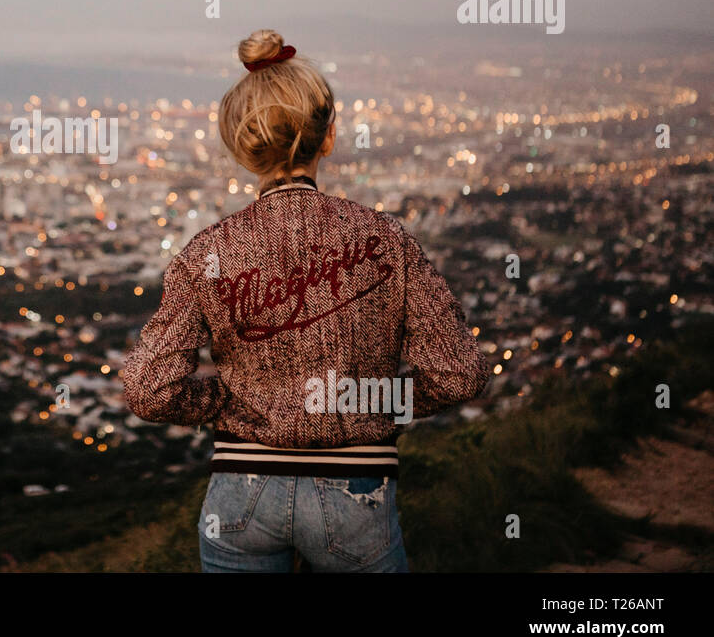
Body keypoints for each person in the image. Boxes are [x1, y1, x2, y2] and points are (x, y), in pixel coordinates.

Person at [122, 29, 490, 572]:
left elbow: (148, 388)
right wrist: (371, 404)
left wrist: (228, 404)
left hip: (239, 497)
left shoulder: (208, 252)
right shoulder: (385, 240)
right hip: (356, 493)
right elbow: (459, 374)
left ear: (242, 148)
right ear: (329, 138)